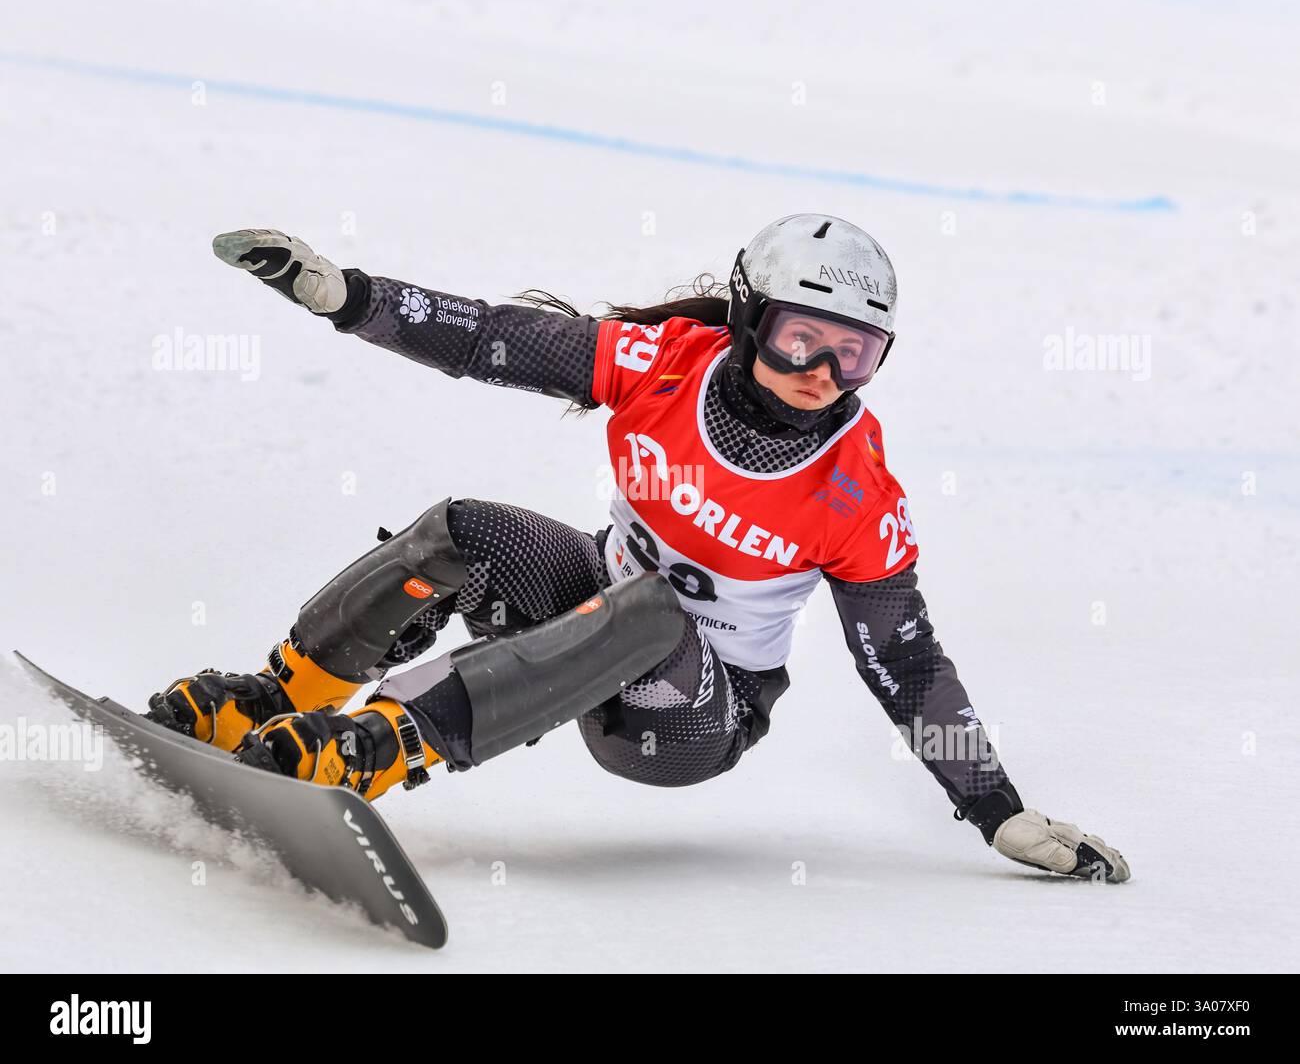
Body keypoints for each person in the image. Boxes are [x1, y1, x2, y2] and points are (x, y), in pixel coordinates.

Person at [147, 214, 1129, 883]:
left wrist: (995, 807)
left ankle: (372, 750)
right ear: (748, 321)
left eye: (855, 353)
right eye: (800, 340)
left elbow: (906, 662)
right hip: (589, 619)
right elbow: (490, 339)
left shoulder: (853, 492)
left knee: (655, 610)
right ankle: (274, 707)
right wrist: (346, 295)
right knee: (464, 532)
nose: (822, 373)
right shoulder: (662, 364)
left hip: (691, 719)